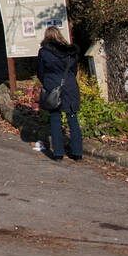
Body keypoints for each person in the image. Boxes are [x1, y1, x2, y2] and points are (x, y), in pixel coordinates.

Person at [36, 26, 82, 161]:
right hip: (70, 86)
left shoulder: (44, 52)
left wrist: (48, 82)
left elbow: (40, 71)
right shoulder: (70, 52)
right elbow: (74, 70)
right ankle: (78, 153)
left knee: (55, 119)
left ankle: (58, 154)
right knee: (72, 119)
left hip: (52, 87)